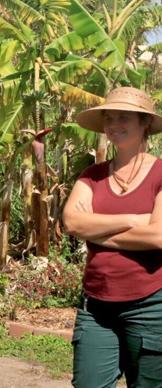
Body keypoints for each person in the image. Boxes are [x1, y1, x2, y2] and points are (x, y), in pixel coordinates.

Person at [64, 86, 162, 387]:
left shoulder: (160, 173)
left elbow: (157, 236)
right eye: (109, 117)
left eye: (124, 117)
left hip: (151, 305)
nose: (114, 125)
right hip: (96, 307)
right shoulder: (91, 176)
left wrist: (96, 231)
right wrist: (133, 219)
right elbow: (72, 222)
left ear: (144, 123)